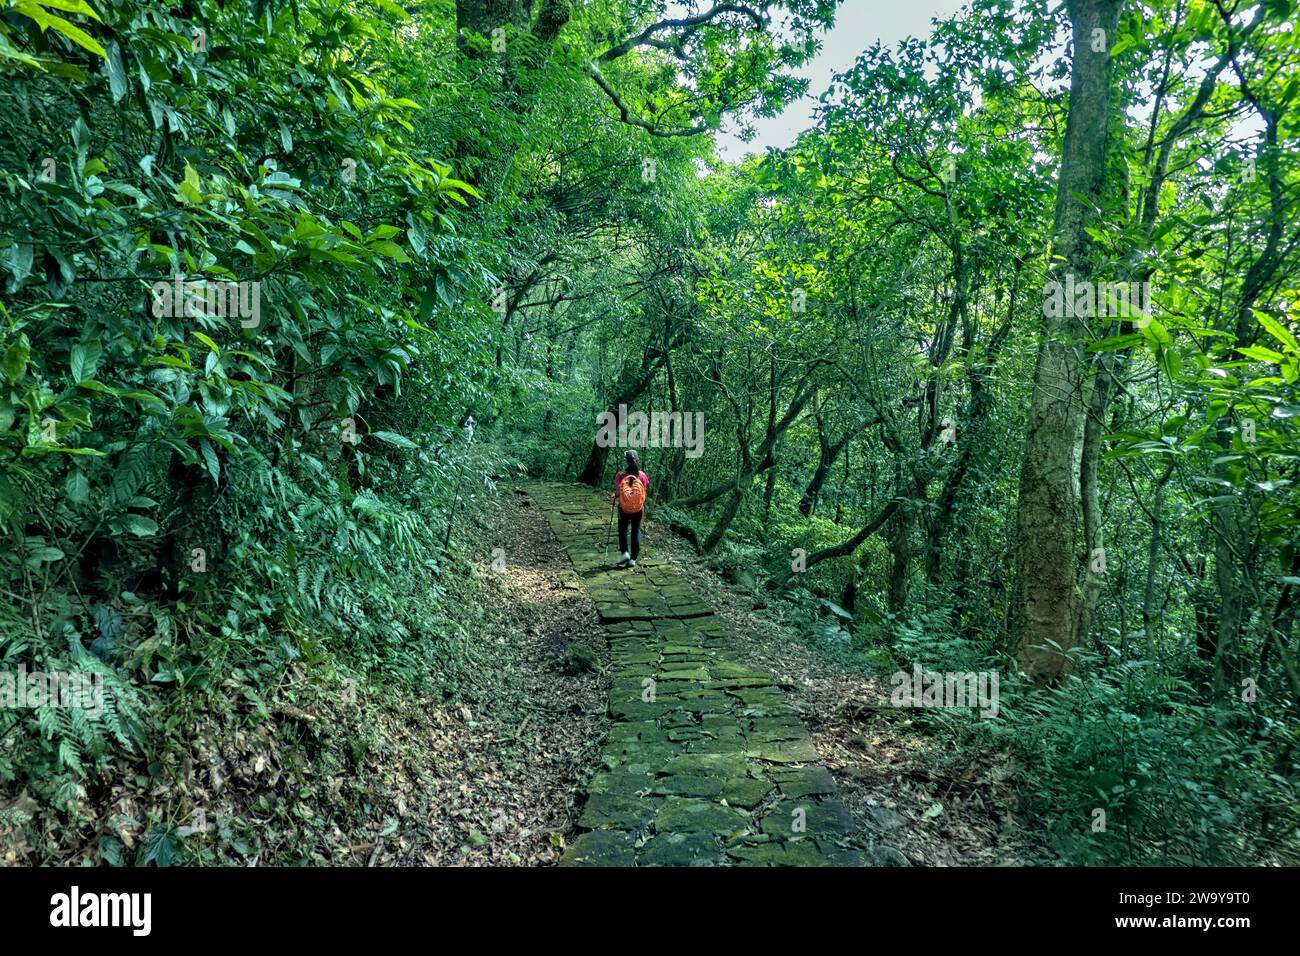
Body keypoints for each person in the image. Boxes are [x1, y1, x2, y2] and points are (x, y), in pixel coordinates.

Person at [610, 450, 649, 568]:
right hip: (638, 509)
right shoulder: (642, 476)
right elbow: (644, 491)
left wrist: (614, 495)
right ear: (637, 460)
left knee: (622, 530)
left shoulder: (621, 475)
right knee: (635, 531)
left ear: (626, 461)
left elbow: (618, 492)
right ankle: (633, 559)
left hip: (624, 508)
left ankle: (625, 553)